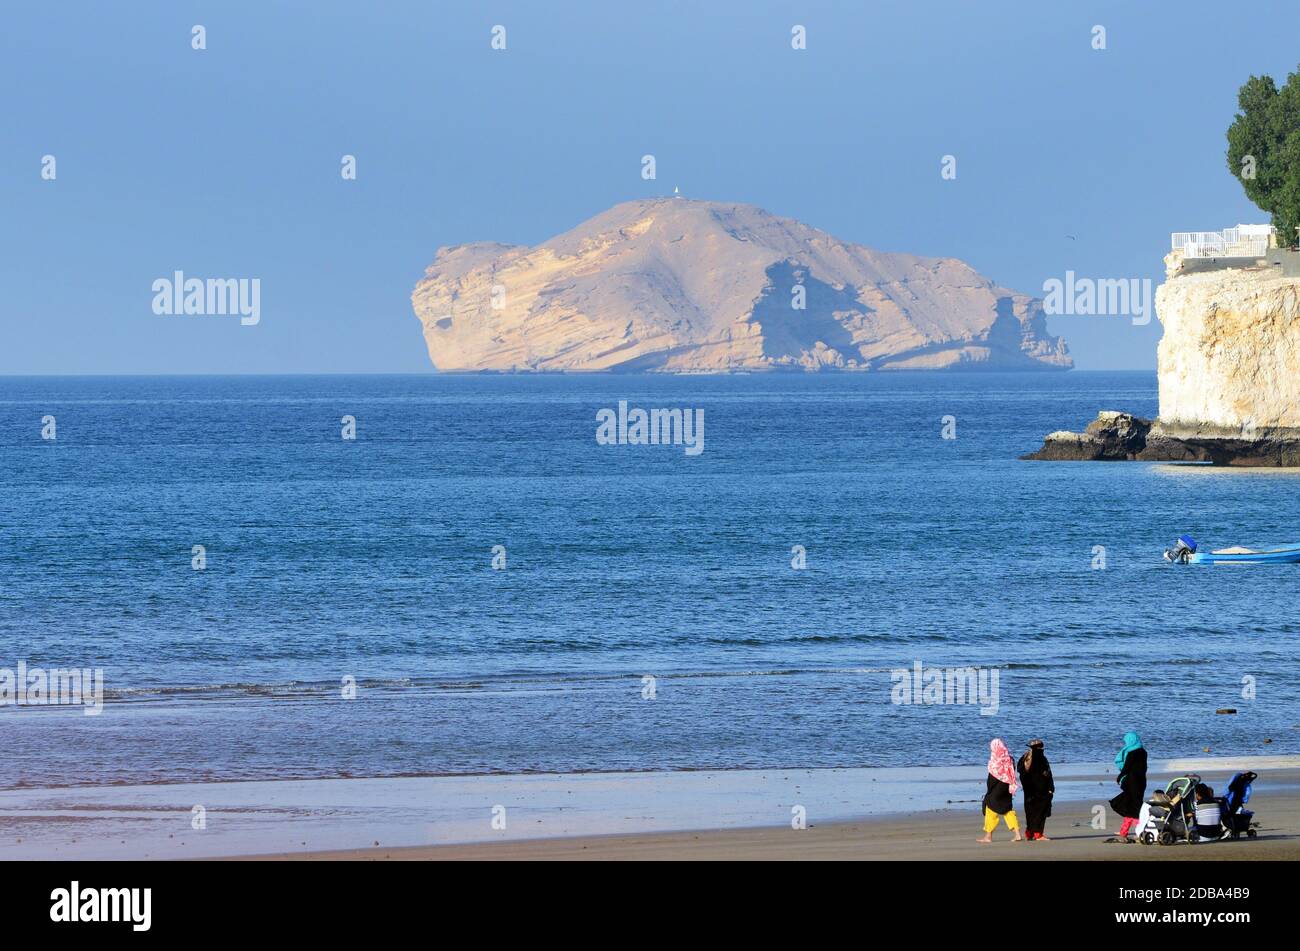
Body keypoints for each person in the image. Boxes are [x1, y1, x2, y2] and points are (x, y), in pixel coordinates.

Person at [977, 738, 1022, 843]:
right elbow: (1011, 773)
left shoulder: (995, 761)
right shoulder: (1010, 759)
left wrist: (989, 792)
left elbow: (992, 779)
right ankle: (1017, 834)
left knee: (990, 809)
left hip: (996, 789)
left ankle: (988, 836)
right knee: (1008, 810)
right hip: (1007, 787)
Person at [1107, 730, 1147, 842]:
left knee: (1130, 806)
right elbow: (1143, 768)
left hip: (1132, 782)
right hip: (1141, 782)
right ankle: (1124, 832)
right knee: (1132, 807)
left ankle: (1142, 829)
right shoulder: (1143, 751)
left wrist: (1119, 777)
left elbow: (1127, 768)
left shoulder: (1132, 752)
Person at [1016, 739, 1054, 840]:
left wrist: (1026, 785)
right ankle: (1038, 833)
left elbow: (1020, 770)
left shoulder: (1025, 757)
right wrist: (1051, 788)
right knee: (1040, 811)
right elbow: (1048, 775)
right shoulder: (1041, 759)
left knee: (1030, 811)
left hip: (1028, 791)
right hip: (1041, 791)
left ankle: (1030, 832)